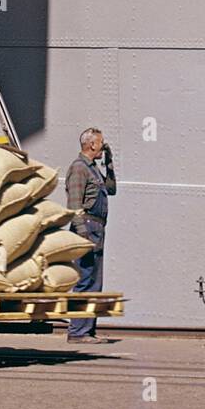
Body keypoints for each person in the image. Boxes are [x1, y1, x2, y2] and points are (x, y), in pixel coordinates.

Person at [65, 126, 117, 343]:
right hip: (86, 228)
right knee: (85, 281)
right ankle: (77, 332)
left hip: (98, 228)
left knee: (95, 282)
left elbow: (112, 189)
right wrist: (83, 236)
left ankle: (87, 330)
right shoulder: (79, 168)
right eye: (101, 142)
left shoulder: (94, 168)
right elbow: (75, 206)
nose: (102, 145)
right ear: (91, 144)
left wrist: (110, 163)